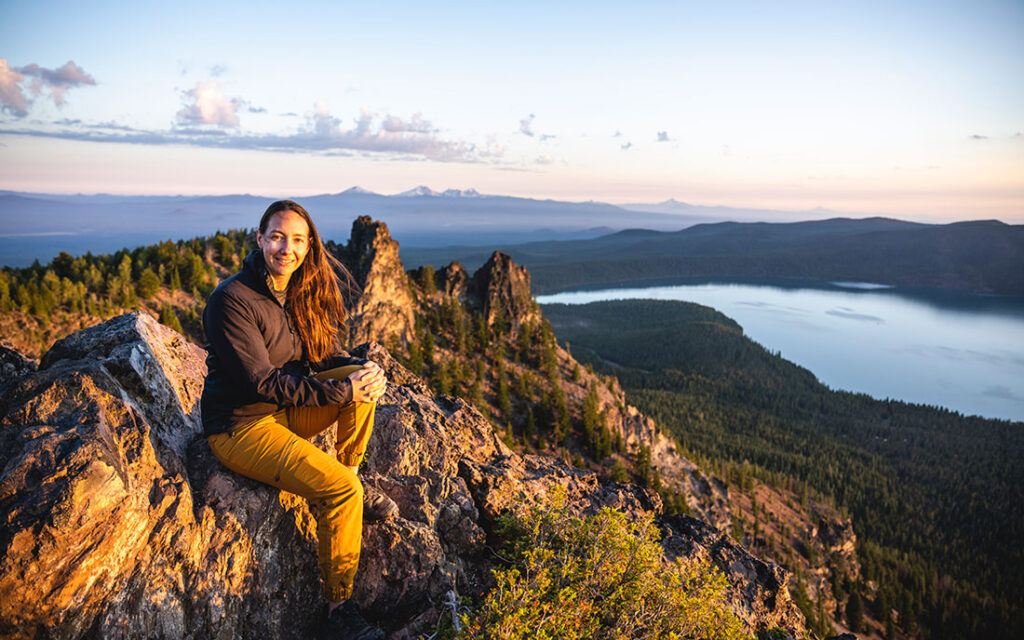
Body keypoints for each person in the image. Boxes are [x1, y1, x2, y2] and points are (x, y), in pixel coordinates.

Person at [201, 200, 395, 639]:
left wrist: (361, 371)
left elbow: (318, 356)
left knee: (357, 380)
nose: (286, 248)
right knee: (341, 489)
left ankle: (350, 477)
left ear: (309, 247)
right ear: (259, 239)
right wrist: (341, 392)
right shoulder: (232, 301)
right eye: (277, 237)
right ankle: (337, 610)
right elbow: (261, 383)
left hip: (285, 415)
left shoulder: (295, 291)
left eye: (297, 240)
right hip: (241, 429)